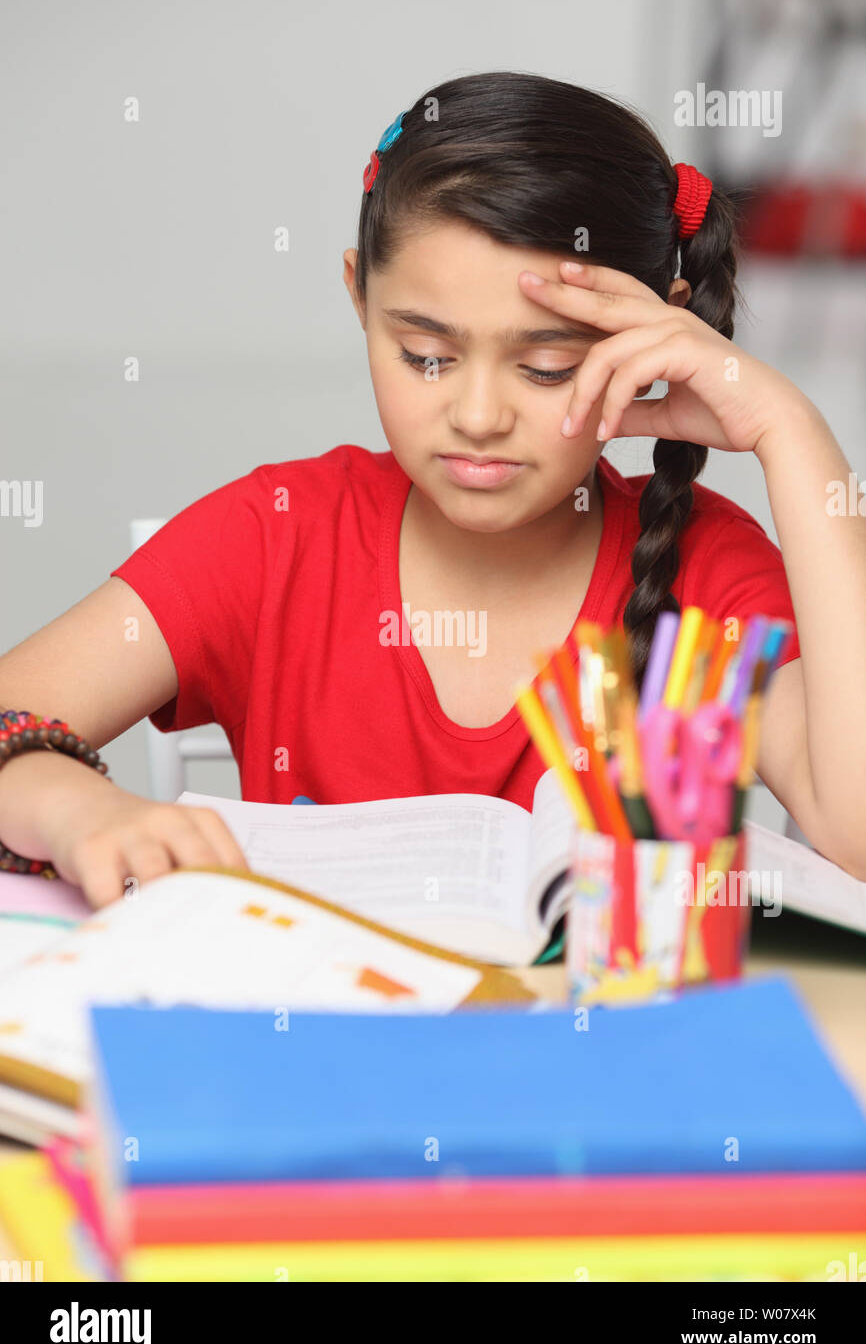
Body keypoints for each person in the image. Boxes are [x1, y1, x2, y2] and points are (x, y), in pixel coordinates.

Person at [2, 71, 864, 910]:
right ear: (360, 298)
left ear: (663, 332)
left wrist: (790, 435)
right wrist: (81, 810)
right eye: (426, 357)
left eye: (547, 365)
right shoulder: (277, 536)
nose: (479, 416)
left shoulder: (704, 569)